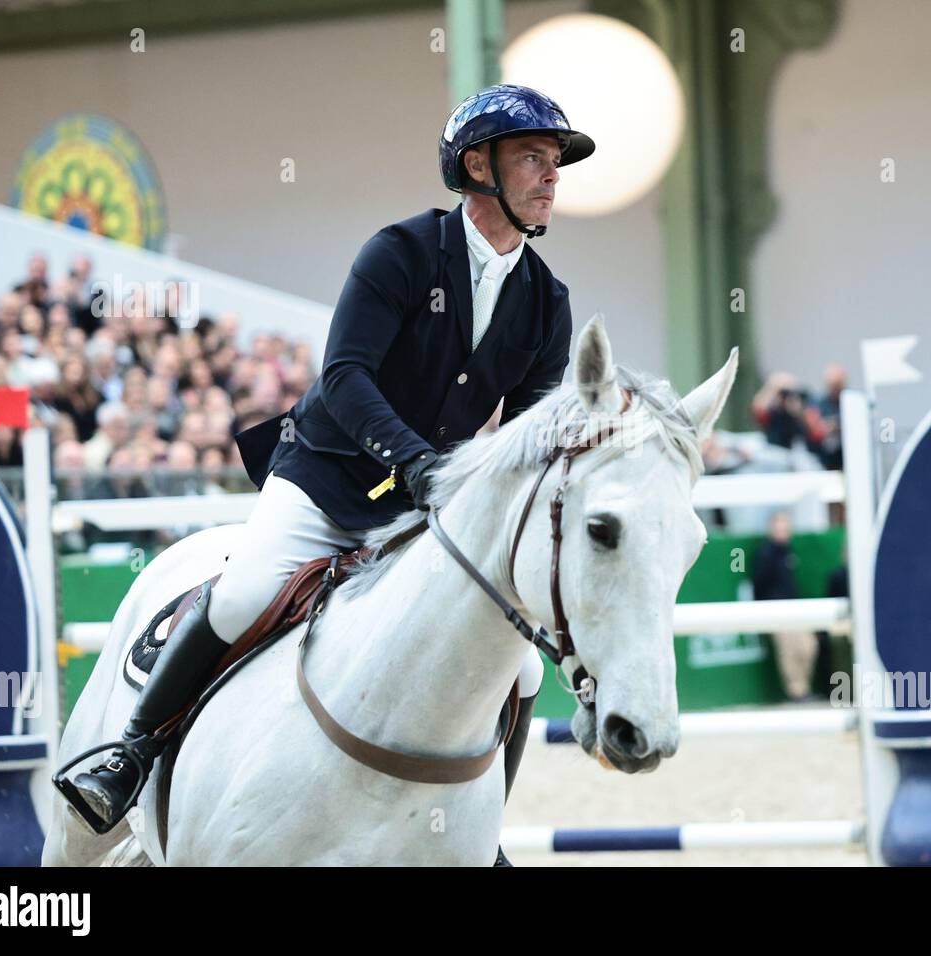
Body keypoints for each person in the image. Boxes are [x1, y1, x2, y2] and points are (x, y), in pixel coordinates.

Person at [67, 85, 596, 858]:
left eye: (556, 163)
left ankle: (484, 836)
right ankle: (132, 753)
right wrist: (411, 457)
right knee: (246, 589)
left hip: (424, 509)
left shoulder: (547, 300)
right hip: (327, 478)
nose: (552, 177)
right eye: (534, 159)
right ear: (477, 166)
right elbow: (346, 375)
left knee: (516, 671)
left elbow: (522, 435)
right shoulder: (403, 252)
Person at [752, 510, 820, 702]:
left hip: (795, 609)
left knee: (808, 646)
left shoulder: (790, 551)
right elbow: (758, 584)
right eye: (778, 524)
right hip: (775, 611)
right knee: (788, 650)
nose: (781, 528)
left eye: (785, 524)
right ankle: (796, 692)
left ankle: (804, 688)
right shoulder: (764, 552)